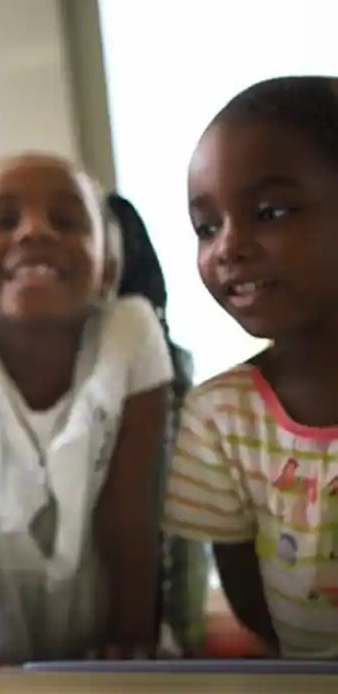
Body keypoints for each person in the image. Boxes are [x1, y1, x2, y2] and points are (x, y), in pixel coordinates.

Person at [0, 153, 175, 666]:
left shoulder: (132, 331)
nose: (33, 231)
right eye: (2, 221)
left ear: (109, 270)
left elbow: (133, 509)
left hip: (106, 634)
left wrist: (130, 636)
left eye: (67, 220)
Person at [162, 75, 338, 658]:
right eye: (206, 227)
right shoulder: (221, 416)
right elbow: (253, 609)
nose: (227, 247)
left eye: (270, 212)